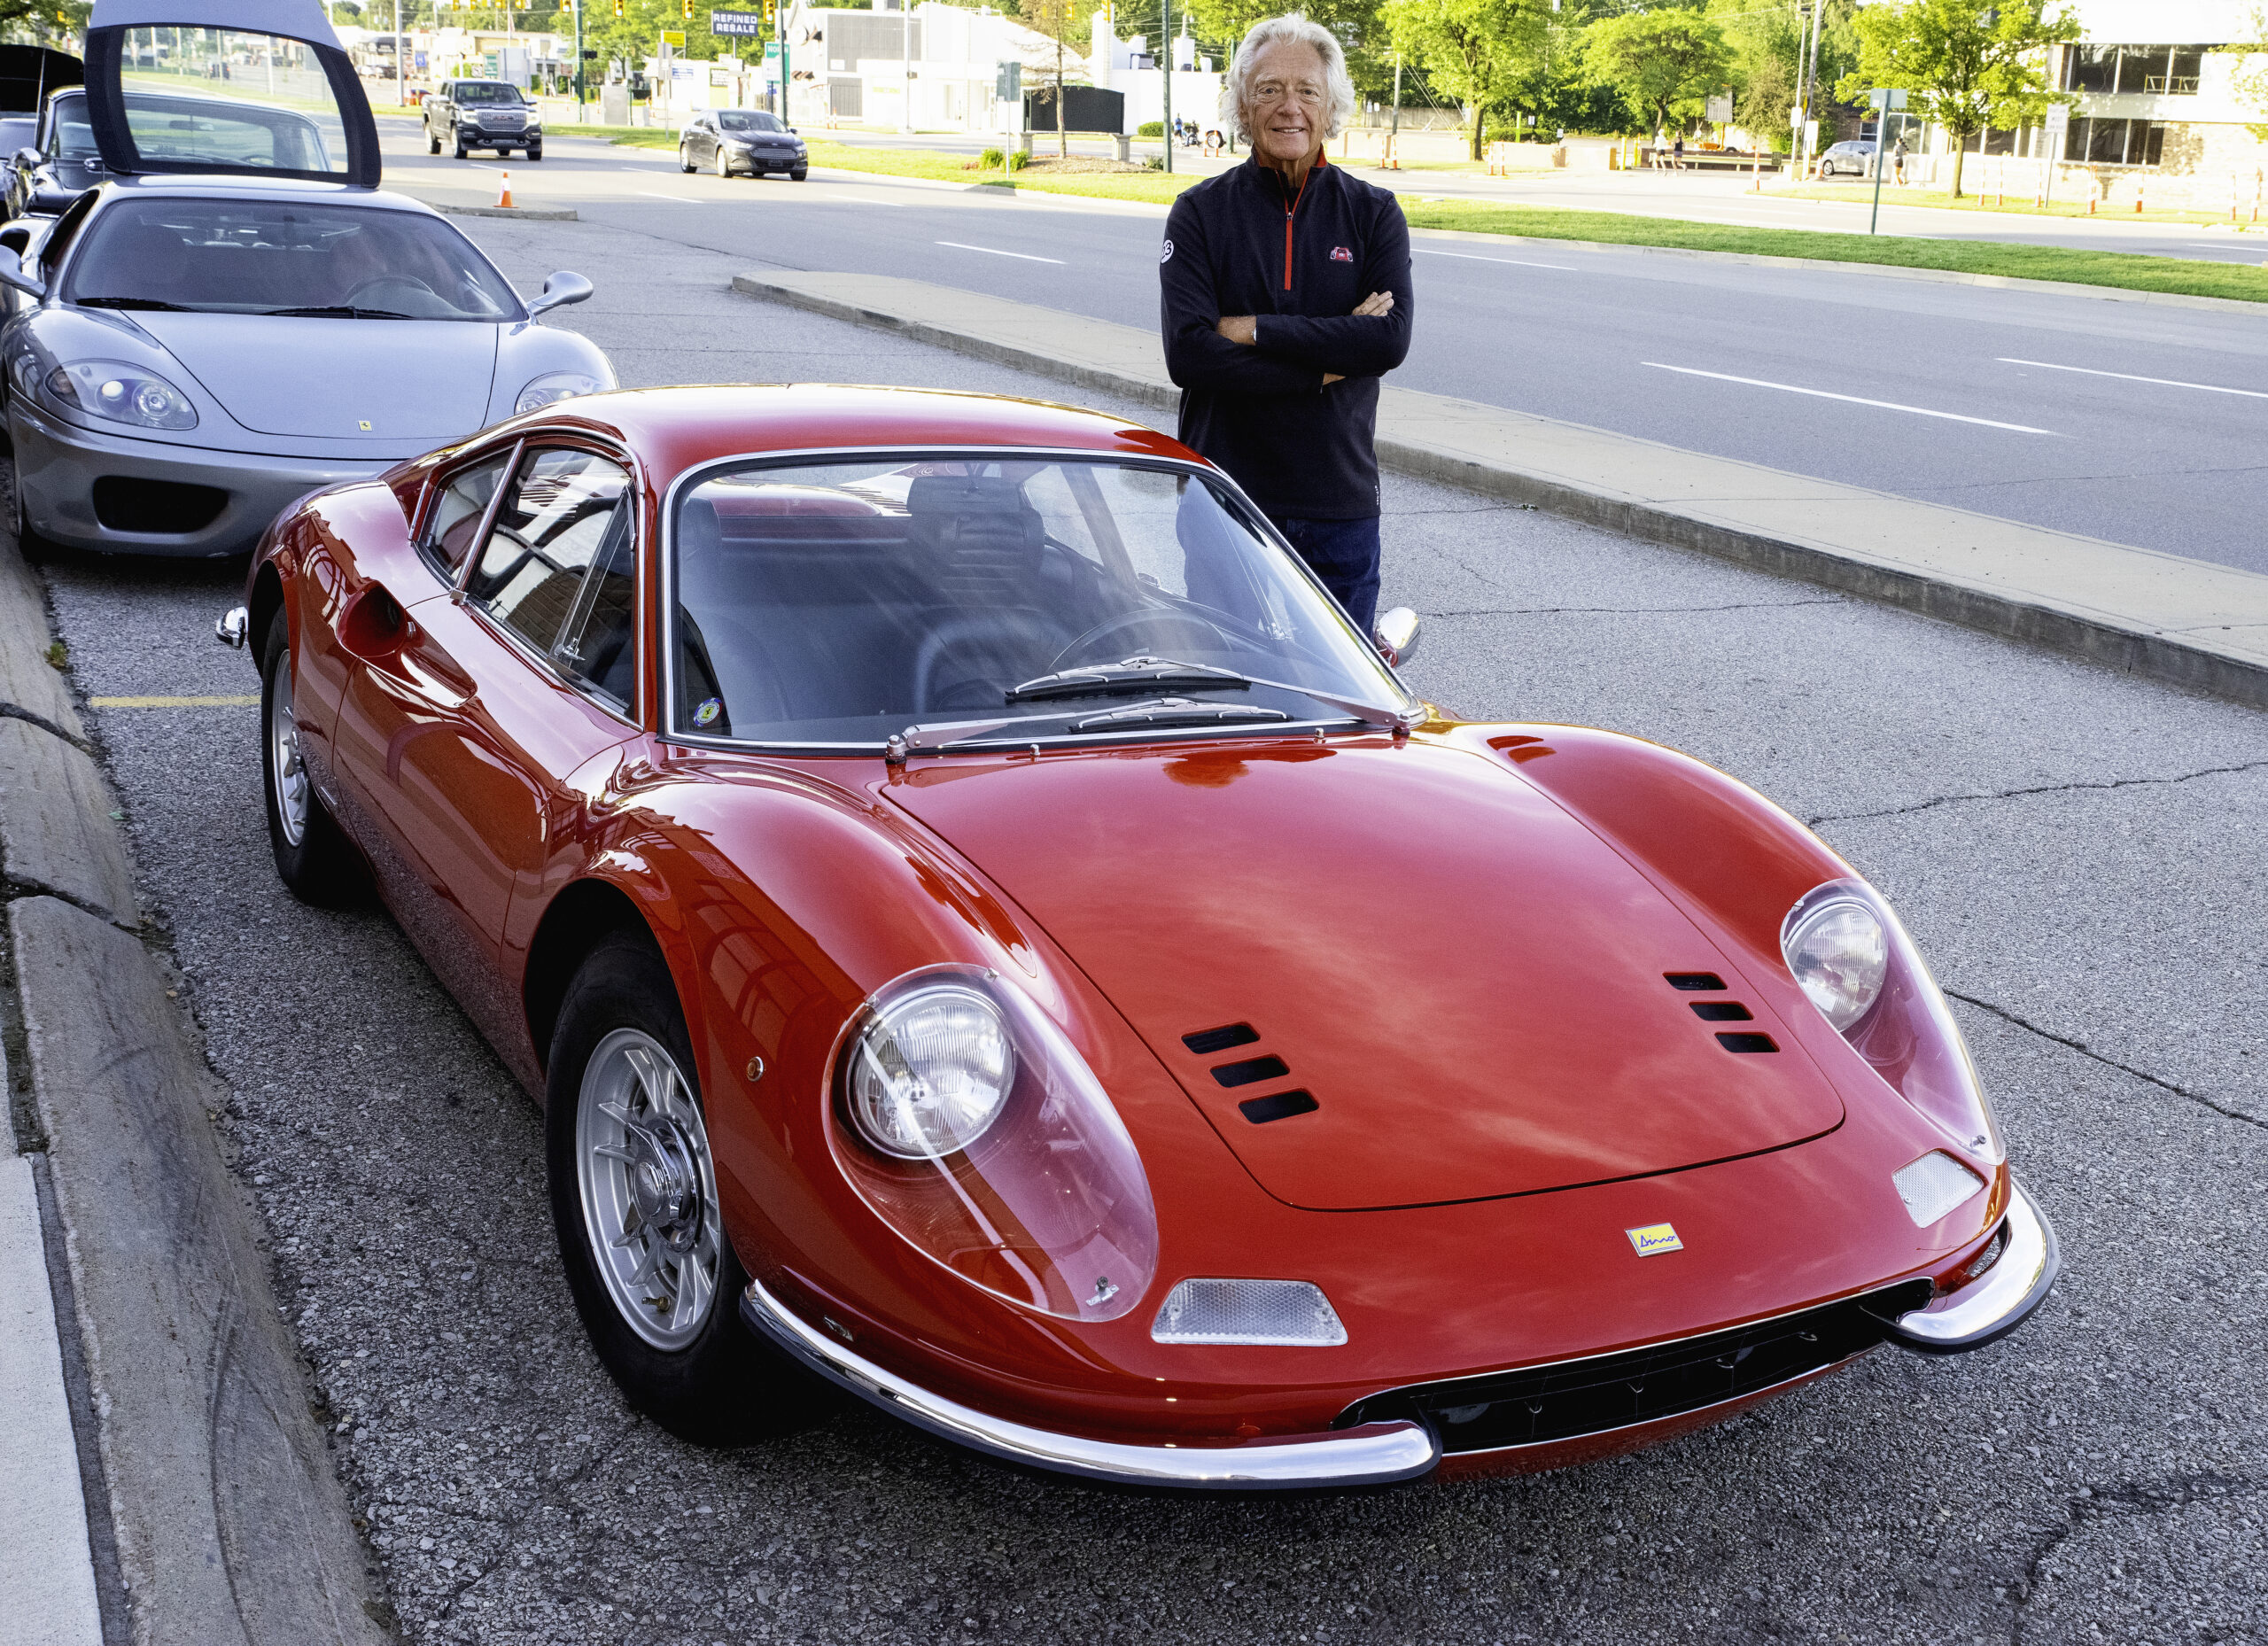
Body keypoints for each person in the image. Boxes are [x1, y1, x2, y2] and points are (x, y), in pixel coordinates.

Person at [1158, 12, 1412, 637]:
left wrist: (1252, 330)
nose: (1288, 107)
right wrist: (1325, 364)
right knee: (1232, 700)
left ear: (1331, 107)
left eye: (1306, 91)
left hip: (1338, 507)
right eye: (1268, 89)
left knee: (1336, 715)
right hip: (1226, 501)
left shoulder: (1375, 214)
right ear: (1242, 105)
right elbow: (1190, 356)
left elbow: (1386, 339)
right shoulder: (1198, 215)